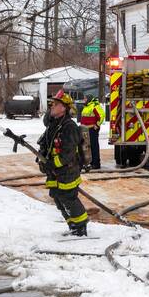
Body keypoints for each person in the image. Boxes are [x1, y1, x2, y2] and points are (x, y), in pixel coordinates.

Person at [37, 90, 90, 236]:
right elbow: (46, 143)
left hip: (67, 171)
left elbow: (68, 153)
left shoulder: (69, 127)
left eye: (55, 104)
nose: (52, 106)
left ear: (64, 108)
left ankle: (81, 227)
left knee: (69, 199)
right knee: (58, 199)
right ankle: (72, 225)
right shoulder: (54, 125)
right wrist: (43, 159)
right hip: (55, 172)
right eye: (52, 104)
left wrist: (52, 163)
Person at [79, 94, 106, 171]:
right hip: (85, 130)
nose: (84, 100)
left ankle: (96, 164)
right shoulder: (86, 107)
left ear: (89, 99)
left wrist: (97, 125)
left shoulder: (94, 106)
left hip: (92, 129)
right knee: (86, 147)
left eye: (85, 99)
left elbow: (102, 115)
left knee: (94, 146)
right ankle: (89, 162)